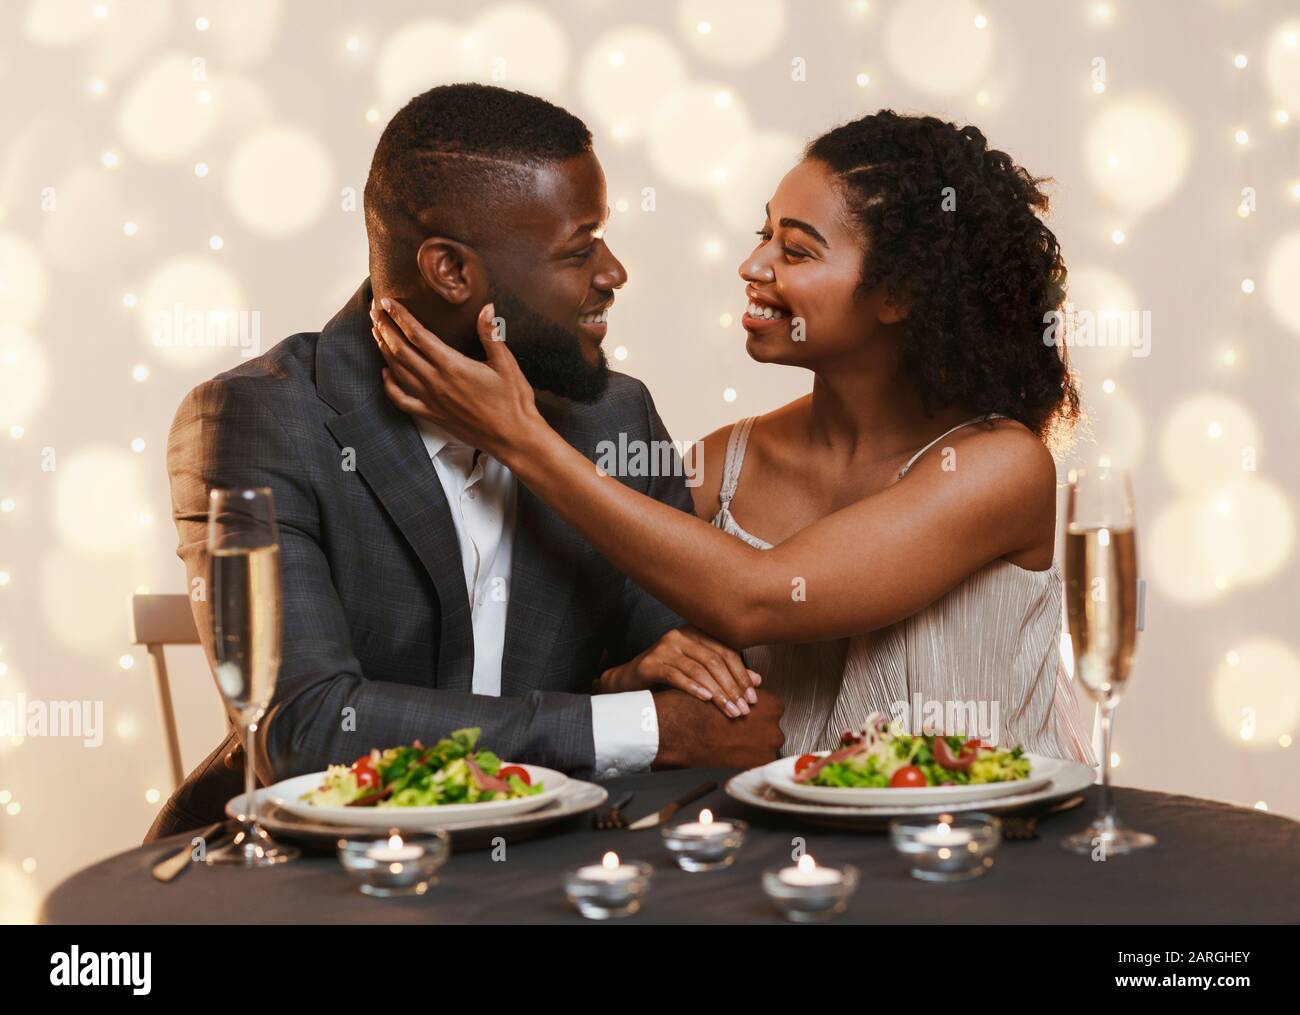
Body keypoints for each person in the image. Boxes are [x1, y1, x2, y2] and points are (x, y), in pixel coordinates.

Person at [148, 84, 783, 841]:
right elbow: (303, 726)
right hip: (315, 874)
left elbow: (713, 704)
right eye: (579, 250)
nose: (613, 271)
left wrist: (624, 683)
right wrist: (629, 723)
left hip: (550, 872)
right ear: (451, 271)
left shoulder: (615, 419)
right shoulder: (259, 421)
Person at [371, 110, 1096, 764]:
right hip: (788, 880)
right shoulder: (722, 463)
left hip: (987, 871)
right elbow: (627, 653)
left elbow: (756, 596)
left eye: (798, 250)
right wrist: (638, 669)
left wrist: (520, 439)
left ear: (899, 294)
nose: (754, 267)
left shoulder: (1001, 467)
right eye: (763, 236)